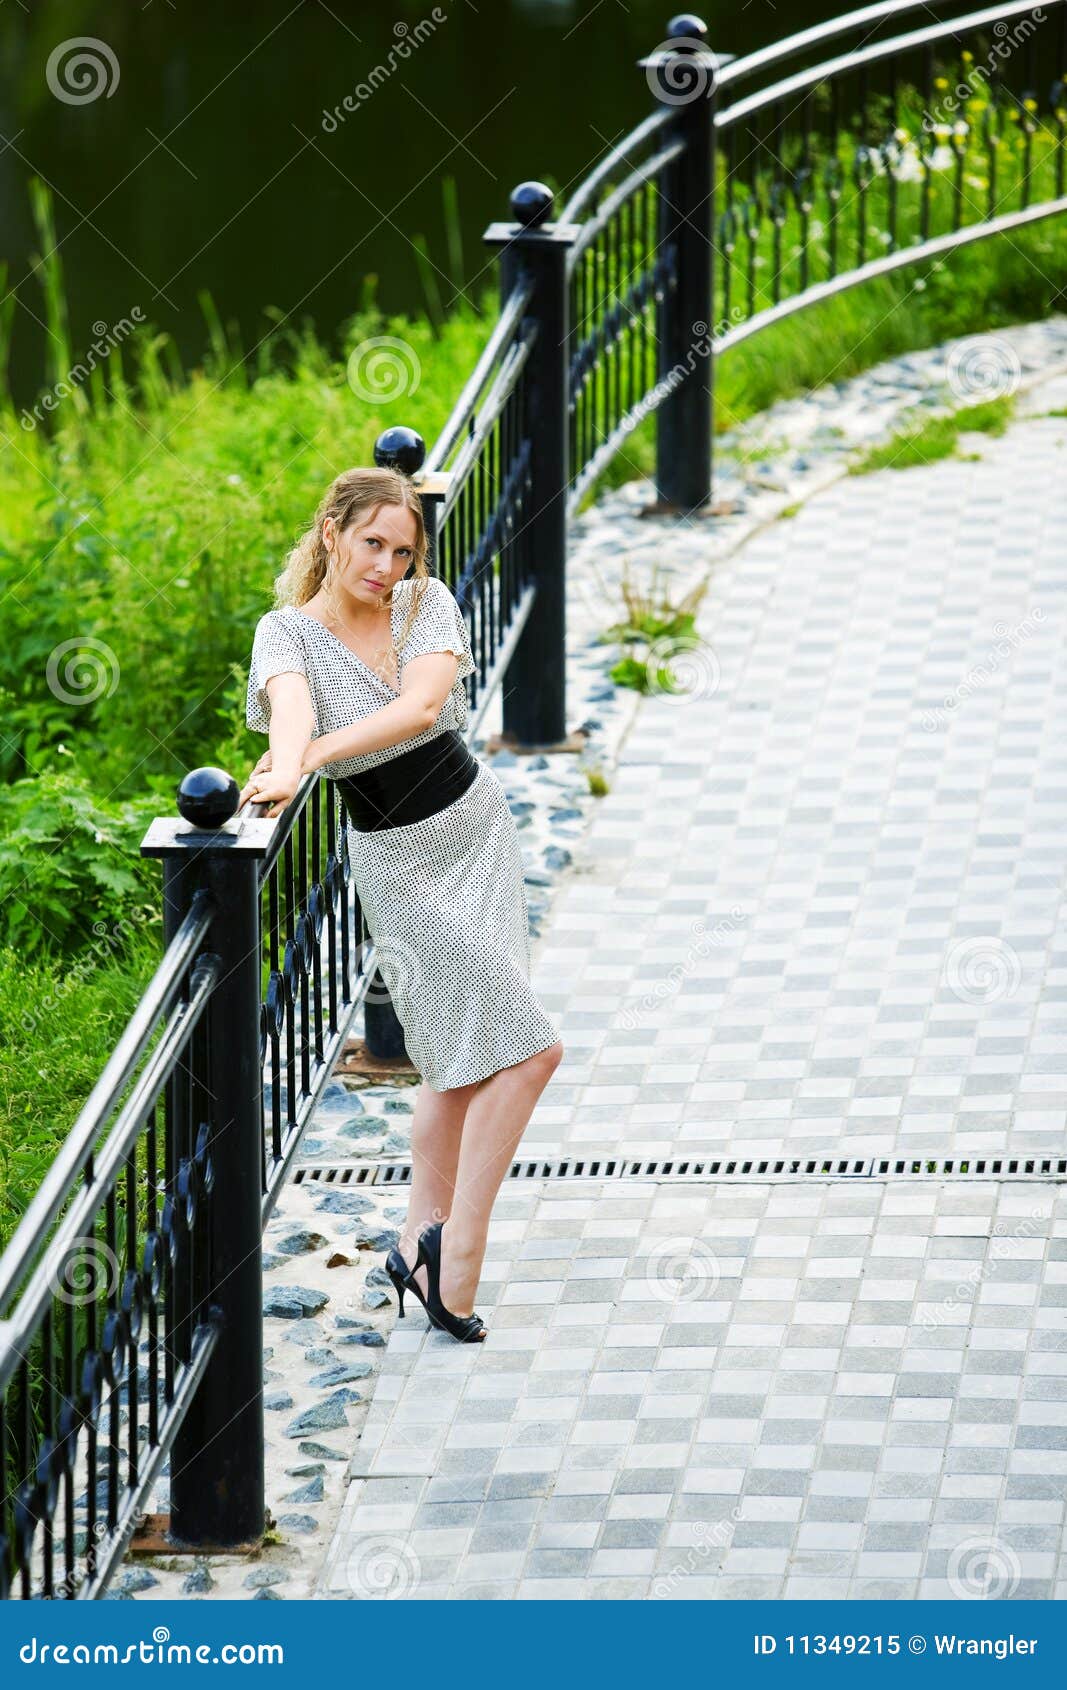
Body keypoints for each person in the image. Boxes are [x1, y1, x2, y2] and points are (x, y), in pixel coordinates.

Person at [239, 466, 564, 1341]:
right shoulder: (287, 635)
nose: (384, 565)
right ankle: (455, 1252)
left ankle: (415, 1240)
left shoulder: (425, 604)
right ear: (331, 533)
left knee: (459, 1057)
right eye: (370, 543)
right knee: (532, 1053)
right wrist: (289, 757)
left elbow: (423, 708)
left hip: (473, 825)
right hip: (398, 859)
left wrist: (302, 763)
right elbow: (291, 715)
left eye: (401, 549)